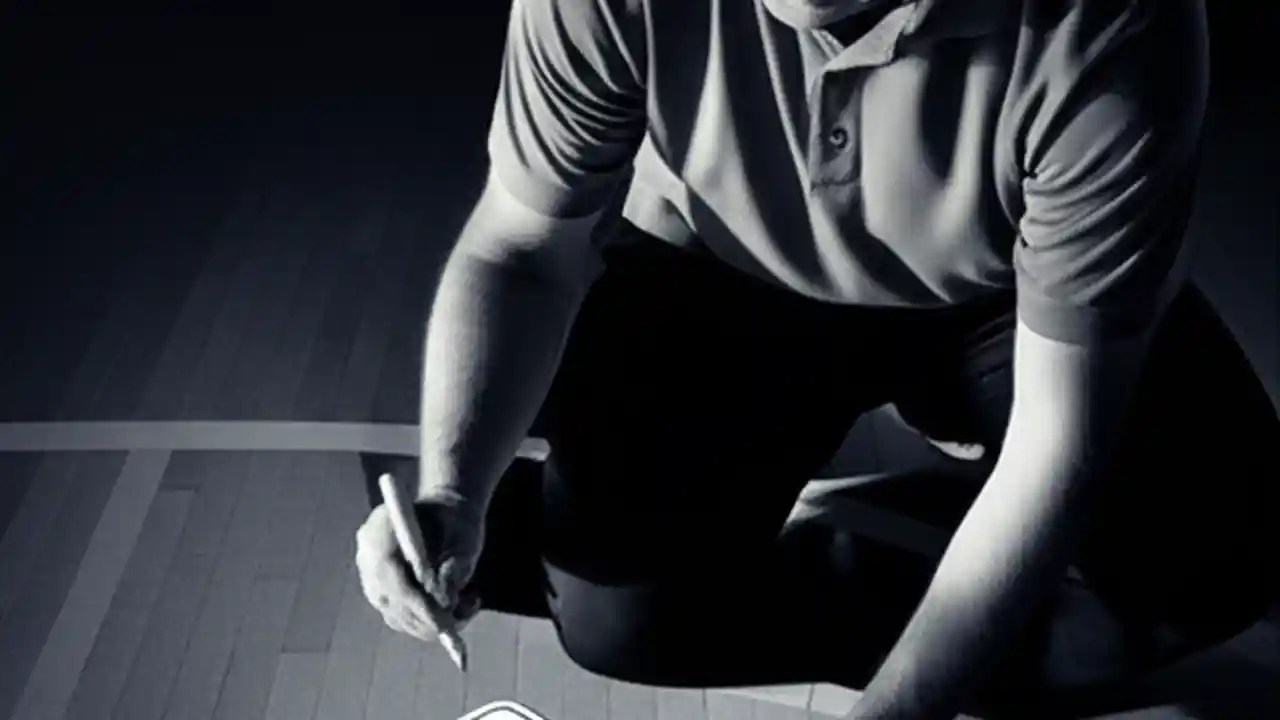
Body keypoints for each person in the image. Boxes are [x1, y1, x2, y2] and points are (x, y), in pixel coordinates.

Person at [354, 0, 1280, 716]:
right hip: (719, 270)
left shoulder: (1114, 24)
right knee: (616, 627)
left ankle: (879, 519)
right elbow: (519, 252)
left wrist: (903, 708)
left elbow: (1056, 445)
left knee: (1222, 568)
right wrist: (451, 489)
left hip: (1006, 293)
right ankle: (840, 536)